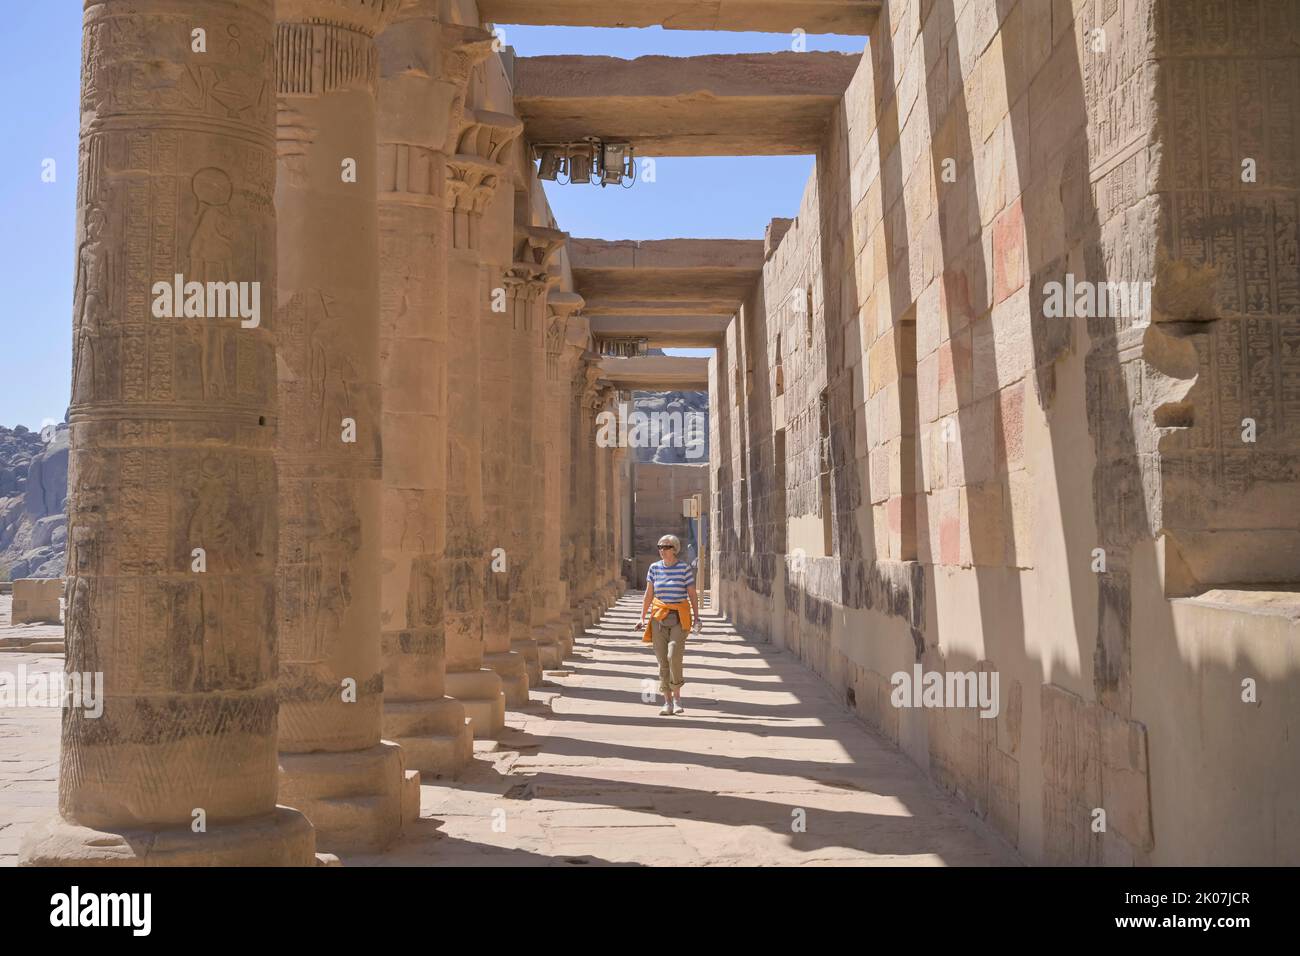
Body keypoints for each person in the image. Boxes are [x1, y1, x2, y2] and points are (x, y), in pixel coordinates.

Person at [637, 534, 701, 715]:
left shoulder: (684, 568)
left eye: (665, 547)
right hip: (659, 617)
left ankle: (678, 697)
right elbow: (649, 594)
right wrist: (642, 617)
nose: (661, 550)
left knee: (674, 655)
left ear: (674, 549)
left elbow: (692, 594)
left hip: (679, 617)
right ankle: (667, 701)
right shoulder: (654, 568)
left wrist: (697, 617)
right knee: (662, 661)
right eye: (659, 547)